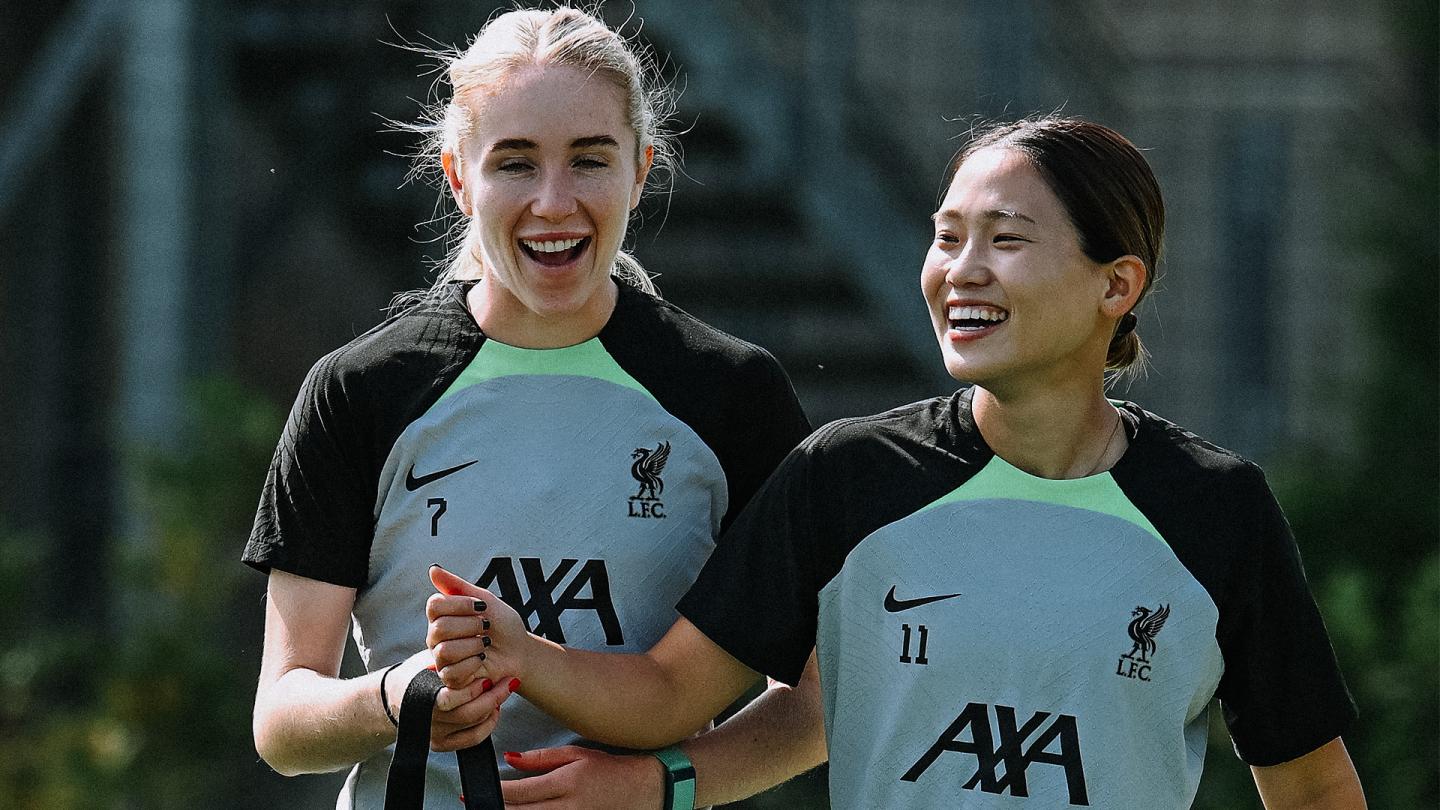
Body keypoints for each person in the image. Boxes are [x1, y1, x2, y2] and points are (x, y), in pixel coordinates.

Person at [427, 117, 1368, 808]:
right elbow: (675, 691)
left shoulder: (1217, 509)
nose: (960, 268)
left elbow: (1314, 788)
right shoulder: (845, 478)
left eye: (1005, 239)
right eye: (947, 235)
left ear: (1116, 284)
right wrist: (529, 657)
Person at [242, 7, 816, 807]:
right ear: (458, 176)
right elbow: (283, 719)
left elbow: (818, 701)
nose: (554, 203)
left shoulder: (733, 395)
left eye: (589, 160)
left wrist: (664, 785)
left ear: (641, 171)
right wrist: (396, 699)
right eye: (515, 163)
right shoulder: (360, 390)